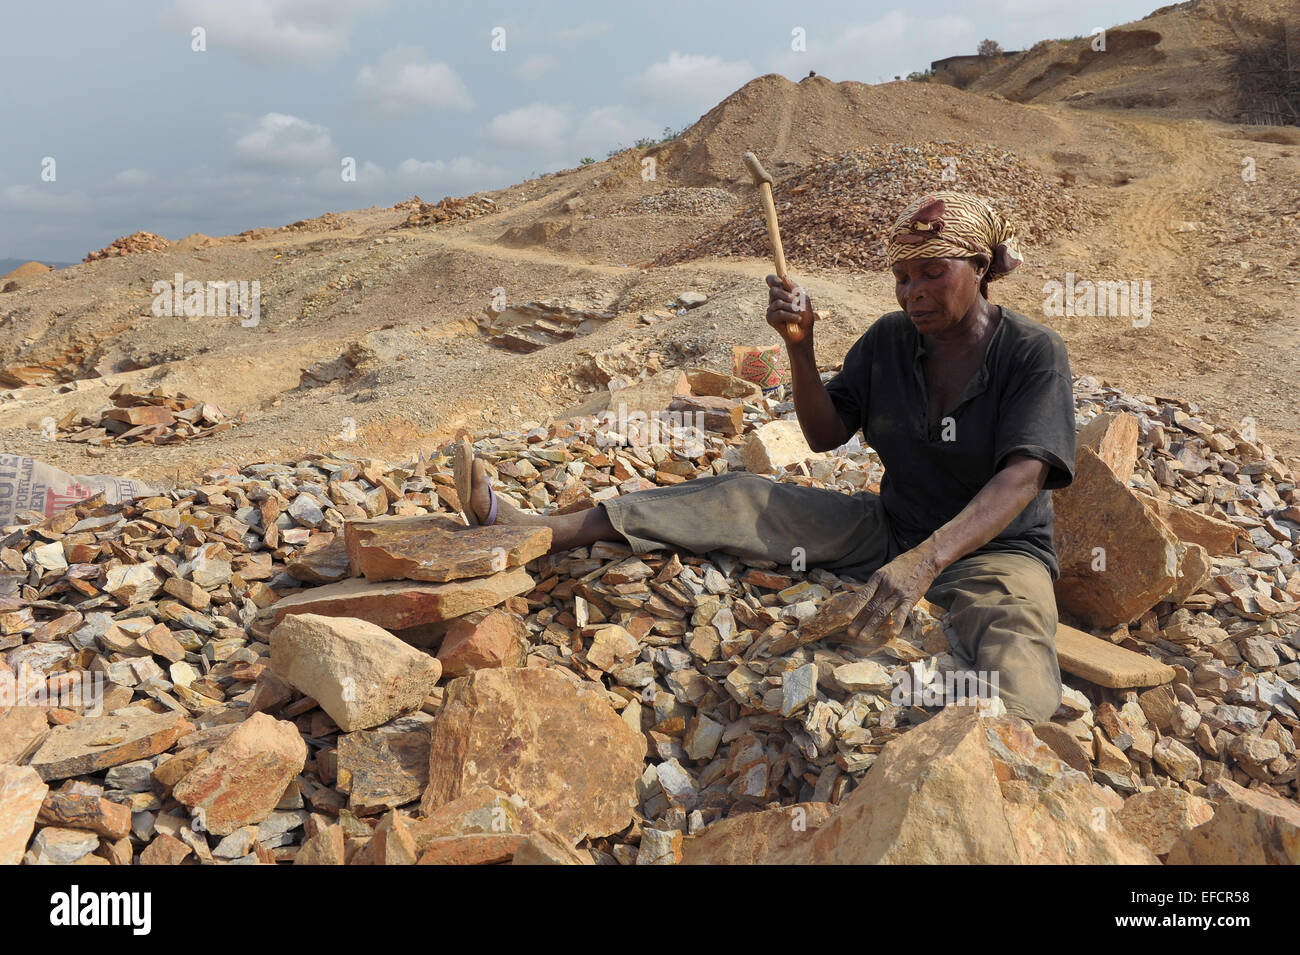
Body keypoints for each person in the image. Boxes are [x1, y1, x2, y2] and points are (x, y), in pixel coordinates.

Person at [457, 191, 1076, 721]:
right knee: (738, 497)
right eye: (903, 277)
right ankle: (535, 530)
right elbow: (824, 435)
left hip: (995, 551)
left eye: (931, 273)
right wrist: (799, 347)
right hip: (891, 527)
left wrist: (928, 561)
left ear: (979, 268)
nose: (913, 292)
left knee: (1017, 659)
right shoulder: (891, 338)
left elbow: (1023, 477)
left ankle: (992, 768)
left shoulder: (1032, 351)